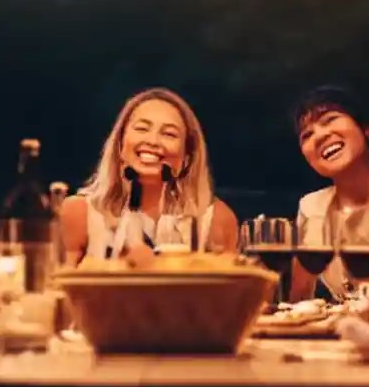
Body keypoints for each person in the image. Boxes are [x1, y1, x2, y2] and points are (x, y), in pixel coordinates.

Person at [60, 87, 238, 264]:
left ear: (186, 158)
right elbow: (55, 286)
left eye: (169, 134)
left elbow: (234, 289)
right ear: (120, 145)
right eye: (142, 128)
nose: (152, 141)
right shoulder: (78, 213)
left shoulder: (215, 219)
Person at [289, 85, 369, 301]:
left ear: (366, 128)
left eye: (330, 119)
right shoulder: (312, 207)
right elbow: (298, 303)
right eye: (307, 135)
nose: (320, 135)